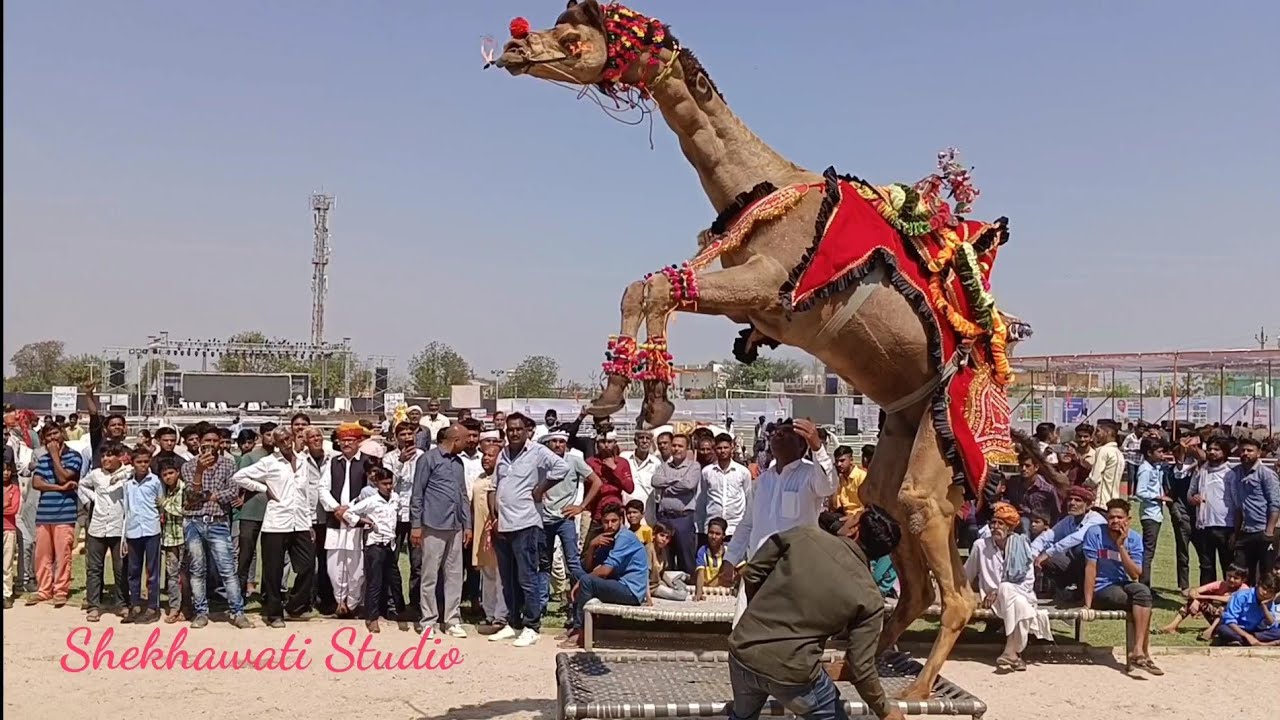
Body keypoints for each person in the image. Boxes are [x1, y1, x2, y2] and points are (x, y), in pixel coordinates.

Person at [728, 507, 905, 720]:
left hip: (744, 652)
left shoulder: (805, 535)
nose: (844, 518)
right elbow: (861, 667)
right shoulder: (870, 597)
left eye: (852, 517)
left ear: (854, 530)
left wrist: (764, 610)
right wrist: (884, 710)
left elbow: (753, 571)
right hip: (794, 672)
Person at [723, 419, 838, 624]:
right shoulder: (762, 481)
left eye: (785, 434)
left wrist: (818, 448)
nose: (777, 436)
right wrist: (730, 559)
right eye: (775, 433)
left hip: (793, 570)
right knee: (748, 629)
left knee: (788, 630)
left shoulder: (810, 475)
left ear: (801, 445)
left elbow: (828, 486)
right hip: (759, 569)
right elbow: (747, 524)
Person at [489, 413, 568, 647]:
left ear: (526, 431)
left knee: (527, 577)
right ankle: (512, 623)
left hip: (526, 522)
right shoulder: (503, 453)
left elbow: (561, 467)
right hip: (503, 524)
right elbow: (495, 485)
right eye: (510, 429)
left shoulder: (537, 452)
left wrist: (542, 487)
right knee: (508, 578)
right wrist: (495, 515)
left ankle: (532, 625)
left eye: (518, 429)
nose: (513, 433)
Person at [232, 426, 317, 628]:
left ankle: (294, 605)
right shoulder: (270, 463)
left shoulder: (304, 461)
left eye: (288, 438)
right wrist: (263, 488)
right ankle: (274, 613)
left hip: (300, 522)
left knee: (307, 566)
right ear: (276, 444)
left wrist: (310, 521)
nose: (287, 443)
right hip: (276, 523)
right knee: (273, 571)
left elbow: (306, 494)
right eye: (282, 441)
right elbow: (240, 476)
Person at [964, 503, 1051, 671]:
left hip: (1021, 595)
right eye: (993, 523)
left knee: (1011, 594)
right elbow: (967, 575)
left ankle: (1011, 652)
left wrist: (1000, 590)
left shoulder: (1022, 545)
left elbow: (1028, 582)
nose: (995, 527)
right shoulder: (980, 546)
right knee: (1012, 596)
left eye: (1000, 524)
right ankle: (1014, 653)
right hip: (993, 602)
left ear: (1010, 528)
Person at [1082, 499, 1162, 676]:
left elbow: (1135, 574)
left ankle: (1138, 650)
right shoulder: (1094, 533)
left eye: (1119, 517)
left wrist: (1121, 547)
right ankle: (1142, 654)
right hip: (1101, 588)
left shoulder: (1134, 539)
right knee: (1142, 602)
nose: (1115, 521)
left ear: (1128, 519)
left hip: (1122, 584)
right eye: (1111, 517)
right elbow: (1090, 568)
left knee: (1143, 592)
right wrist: (1088, 604)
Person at [409, 424, 472, 637]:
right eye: (465, 439)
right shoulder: (428, 459)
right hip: (432, 526)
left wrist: (467, 525)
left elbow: (463, 495)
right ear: (455, 439)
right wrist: (416, 525)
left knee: (454, 575)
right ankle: (428, 621)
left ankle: (452, 620)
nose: (468, 442)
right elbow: (417, 494)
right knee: (429, 575)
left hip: (455, 527)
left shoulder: (458, 462)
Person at [562, 502, 649, 648]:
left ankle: (580, 632)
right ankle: (575, 624)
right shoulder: (607, 537)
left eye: (614, 521)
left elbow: (605, 570)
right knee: (577, 574)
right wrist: (592, 546)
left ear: (621, 521)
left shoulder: (625, 537)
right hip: (617, 583)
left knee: (586, 581)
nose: (610, 525)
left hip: (630, 591)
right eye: (606, 521)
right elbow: (589, 567)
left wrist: (584, 579)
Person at [29, 423, 85, 607]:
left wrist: (55, 457)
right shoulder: (42, 459)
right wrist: (59, 488)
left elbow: (65, 476)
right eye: (48, 436)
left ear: (61, 433)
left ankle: (60, 590)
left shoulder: (74, 457)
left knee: (63, 555)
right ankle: (44, 590)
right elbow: (37, 483)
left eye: (55, 434)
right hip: (44, 514)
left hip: (65, 514)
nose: (52, 438)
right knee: (42, 556)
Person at [344, 465, 401, 633]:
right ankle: (371, 617)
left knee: (395, 579)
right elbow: (348, 513)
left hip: (389, 544)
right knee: (374, 582)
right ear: (377, 484)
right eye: (384, 484)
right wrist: (363, 522)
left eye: (390, 483)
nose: (388, 487)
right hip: (374, 545)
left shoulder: (395, 498)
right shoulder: (370, 501)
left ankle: (399, 609)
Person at [77, 443, 131, 620]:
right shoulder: (96, 474)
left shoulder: (127, 473)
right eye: (104, 456)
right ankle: (94, 606)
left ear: (119, 456)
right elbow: (82, 485)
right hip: (97, 527)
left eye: (110, 456)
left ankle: (122, 603)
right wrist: (92, 499)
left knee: (120, 568)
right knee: (94, 569)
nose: (106, 460)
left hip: (119, 528)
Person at [1031, 485, 1106, 601]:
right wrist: (1032, 554)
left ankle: (1083, 592)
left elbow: (1077, 537)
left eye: (1078, 500)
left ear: (1089, 505)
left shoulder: (1096, 520)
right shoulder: (1069, 520)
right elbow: (1048, 536)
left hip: (1098, 567)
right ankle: (1059, 591)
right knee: (1048, 559)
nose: (1072, 503)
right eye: (1070, 499)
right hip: (1073, 565)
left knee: (1081, 548)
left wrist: (1048, 552)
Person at [1224, 436, 1279, 586]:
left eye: (1250, 450)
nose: (1245, 453)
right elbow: (1238, 506)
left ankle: (1267, 607)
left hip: (1264, 530)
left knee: (1266, 573)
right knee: (1242, 571)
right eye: (1242, 450)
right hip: (1246, 530)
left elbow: (1275, 504)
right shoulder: (1235, 473)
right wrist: (1236, 533)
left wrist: (1269, 532)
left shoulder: (1266, 474)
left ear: (1259, 453)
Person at [121, 446, 164, 624]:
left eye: (146, 462)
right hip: (133, 530)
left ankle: (153, 607)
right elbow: (126, 510)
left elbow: (161, 504)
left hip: (151, 529)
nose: (143, 465)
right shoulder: (127, 484)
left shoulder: (155, 481)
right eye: (139, 462)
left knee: (152, 571)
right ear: (133, 463)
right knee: (133, 571)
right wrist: (124, 536)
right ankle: (136, 605)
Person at [651, 434, 702, 574]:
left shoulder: (694, 466)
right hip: (664, 517)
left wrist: (667, 486)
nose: (676, 449)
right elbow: (655, 481)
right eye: (674, 445)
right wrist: (676, 481)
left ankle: (689, 586)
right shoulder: (664, 466)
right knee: (665, 555)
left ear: (687, 449)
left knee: (685, 555)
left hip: (683, 518)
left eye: (680, 446)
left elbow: (688, 484)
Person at [1160, 565, 1249, 640]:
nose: (1231, 580)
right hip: (1218, 617)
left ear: (1243, 580)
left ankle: (1211, 631)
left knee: (1225, 608)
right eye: (1229, 576)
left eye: (1236, 578)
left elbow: (1228, 599)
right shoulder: (1221, 584)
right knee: (1194, 601)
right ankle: (1172, 626)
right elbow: (1195, 590)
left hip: (1235, 623)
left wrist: (1200, 597)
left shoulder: (1244, 590)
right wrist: (1196, 600)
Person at [1133, 438, 1171, 588]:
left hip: (1155, 513)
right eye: (1159, 452)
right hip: (1150, 514)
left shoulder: (1154, 467)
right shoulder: (1145, 469)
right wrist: (1158, 497)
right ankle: (1144, 584)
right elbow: (1140, 492)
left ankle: (1146, 583)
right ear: (1149, 453)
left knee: (1150, 550)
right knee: (1148, 551)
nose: (1162, 455)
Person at [156, 459, 187, 623]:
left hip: (184, 537)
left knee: (186, 575)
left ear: (177, 472)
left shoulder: (185, 489)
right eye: (165, 475)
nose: (168, 477)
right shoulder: (164, 491)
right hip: (169, 538)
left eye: (171, 473)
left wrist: (165, 504)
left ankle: (187, 607)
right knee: (172, 575)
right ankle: (174, 607)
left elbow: (184, 511)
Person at [1215, 571, 1280, 646]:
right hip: (1237, 629)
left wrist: (1264, 607)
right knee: (1224, 629)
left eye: (1270, 592)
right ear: (1258, 584)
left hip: (1256, 631)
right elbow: (1229, 620)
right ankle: (1250, 641)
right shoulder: (1242, 596)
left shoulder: (1269, 601)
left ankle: (1241, 642)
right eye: (1264, 588)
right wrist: (1247, 636)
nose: (1265, 593)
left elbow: (1272, 624)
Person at [646, 522, 687, 601]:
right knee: (681, 595)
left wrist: (670, 585)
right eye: (661, 535)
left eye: (667, 537)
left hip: (658, 581)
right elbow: (645, 574)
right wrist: (648, 597)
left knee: (682, 577)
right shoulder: (649, 549)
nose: (664, 540)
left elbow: (662, 573)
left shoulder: (664, 550)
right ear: (654, 535)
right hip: (652, 587)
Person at [694, 516, 732, 601]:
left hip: (725, 593)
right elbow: (700, 573)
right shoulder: (702, 551)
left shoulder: (729, 551)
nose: (713, 536)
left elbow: (743, 570)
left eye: (718, 534)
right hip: (708, 591)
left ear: (724, 535)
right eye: (711, 533)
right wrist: (698, 593)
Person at [3, 458, 22, 608]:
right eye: (3, 469)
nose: (6, 473)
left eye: (8, 469)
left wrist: (7, 506)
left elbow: (13, 509)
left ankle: (7, 593)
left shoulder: (14, 488)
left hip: (8, 529)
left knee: (6, 564)